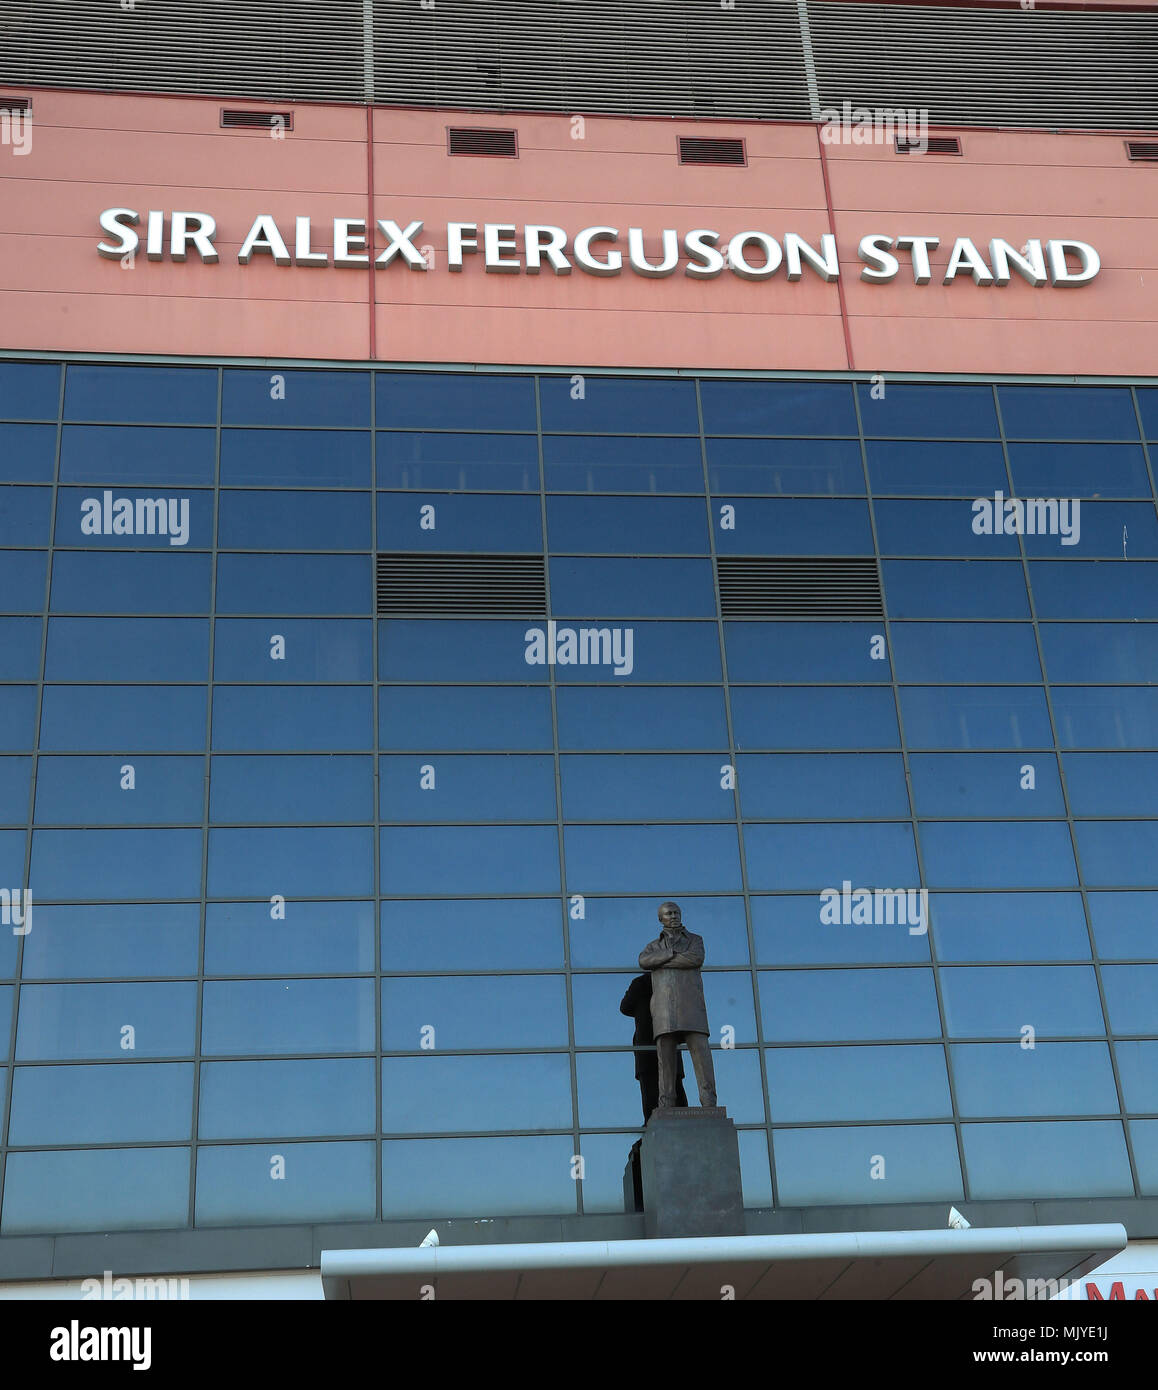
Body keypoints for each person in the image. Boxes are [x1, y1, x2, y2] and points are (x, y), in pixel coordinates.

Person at [638, 900, 717, 1109]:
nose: (674, 916)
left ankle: (709, 1103)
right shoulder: (653, 946)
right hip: (665, 1011)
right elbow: (644, 961)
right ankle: (666, 1106)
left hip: (692, 1007)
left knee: (702, 1057)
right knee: (665, 1062)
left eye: (676, 912)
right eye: (669, 913)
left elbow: (695, 959)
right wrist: (671, 954)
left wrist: (662, 961)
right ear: (660, 919)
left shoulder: (695, 940)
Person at [619, 972, 687, 1122]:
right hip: (664, 1038)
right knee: (673, 1087)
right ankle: (679, 1121)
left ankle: (653, 1124)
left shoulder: (640, 982)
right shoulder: (670, 981)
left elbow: (624, 1006)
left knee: (651, 1088)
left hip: (648, 1042)